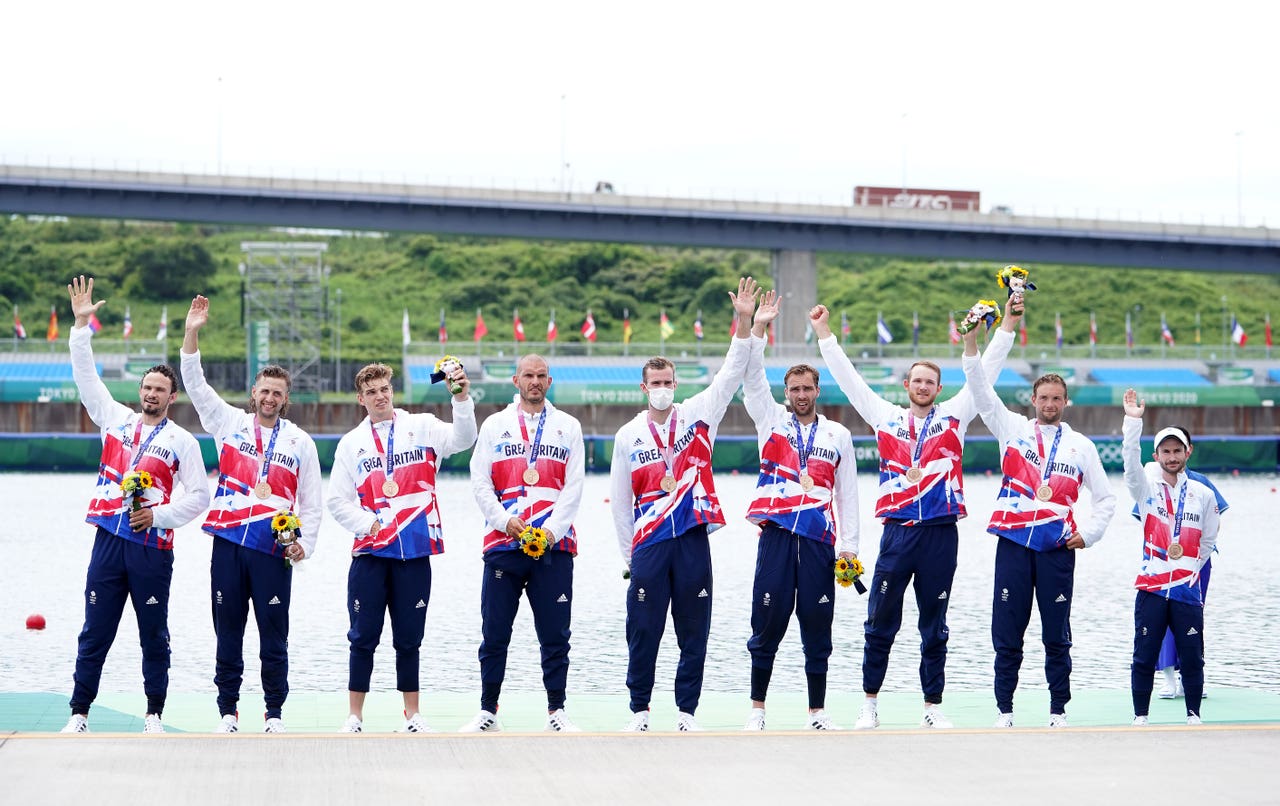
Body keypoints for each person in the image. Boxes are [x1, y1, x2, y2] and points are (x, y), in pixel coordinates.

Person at [810, 298, 1021, 730]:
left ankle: (932, 706)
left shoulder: (955, 416)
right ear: (907, 384)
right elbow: (850, 382)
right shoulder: (884, 418)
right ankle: (869, 704)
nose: (923, 386)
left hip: (941, 535)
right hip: (898, 535)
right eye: (918, 380)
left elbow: (986, 374)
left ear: (939, 389)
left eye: (931, 382)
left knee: (935, 622)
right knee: (880, 620)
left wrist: (1007, 326)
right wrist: (824, 335)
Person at [60, 276, 210, 734]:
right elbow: (87, 378)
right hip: (108, 539)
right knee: (95, 631)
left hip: (150, 546)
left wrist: (158, 515)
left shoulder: (183, 442)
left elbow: (201, 497)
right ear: (139, 391)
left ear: (172, 396)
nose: (151, 394)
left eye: (160, 390)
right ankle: (80, 714)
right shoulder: (114, 419)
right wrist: (80, 328)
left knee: (154, 634)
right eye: (146, 387)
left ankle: (152, 715)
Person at [610, 276, 757, 732]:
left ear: (676, 384)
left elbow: (731, 373)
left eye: (668, 381)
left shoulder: (698, 414)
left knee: (694, 630)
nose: (663, 388)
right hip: (650, 543)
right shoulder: (628, 435)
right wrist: (629, 557)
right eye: (655, 382)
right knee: (643, 631)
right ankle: (640, 710)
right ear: (643, 386)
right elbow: (619, 502)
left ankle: (686, 712)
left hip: (692, 535)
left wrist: (744, 321)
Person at [181, 294, 322, 734]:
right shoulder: (228, 424)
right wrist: (191, 333)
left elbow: (312, 504)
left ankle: (274, 713)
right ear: (253, 394)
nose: (269, 398)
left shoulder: (300, 442)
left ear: (286, 399)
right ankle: (228, 711)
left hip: (271, 549)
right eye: (264, 390)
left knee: (274, 636)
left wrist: (306, 546)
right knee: (228, 633)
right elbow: (195, 384)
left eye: (277, 393)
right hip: (228, 545)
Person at [964, 342, 1116, 729]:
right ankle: (1005, 711)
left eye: (1057, 399)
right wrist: (970, 344)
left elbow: (1106, 499)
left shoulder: (1082, 446)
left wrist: (1088, 535)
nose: (1049, 404)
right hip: (1014, 545)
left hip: (1056, 549)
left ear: (1067, 403)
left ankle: (1057, 711)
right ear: (1032, 399)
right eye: (1043, 397)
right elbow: (980, 389)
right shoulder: (1010, 427)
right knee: (1008, 631)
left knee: (1056, 634)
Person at [327, 361, 475, 733]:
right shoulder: (351, 443)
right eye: (372, 392)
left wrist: (461, 398)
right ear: (361, 399)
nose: (380, 397)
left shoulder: (422, 425)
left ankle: (413, 715)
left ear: (392, 391)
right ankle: (355, 716)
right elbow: (337, 501)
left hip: (414, 548)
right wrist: (369, 523)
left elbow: (464, 439)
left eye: (385, 390)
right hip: (371, 552)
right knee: (363, 636)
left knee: (409, 637)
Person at [740, 290, 859, 731]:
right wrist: (758, 328)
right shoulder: (769, 419)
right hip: (775, 537)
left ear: (817, 391)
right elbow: (750, 378)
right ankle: (757, 711)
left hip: (817, 541)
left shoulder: (838, 435)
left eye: (808, 388)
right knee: (765, 625)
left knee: (817, 625)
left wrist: (849, 548)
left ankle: (817, 712)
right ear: (785, 393)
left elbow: (847, 497)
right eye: (795, 389)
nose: (802, 394)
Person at [461, 354, 585, 733]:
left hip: (554, 548)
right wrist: (504, 521)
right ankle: (487, 711)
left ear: (550, 382)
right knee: (495, 633)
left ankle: (556, 712)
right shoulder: (495, 425)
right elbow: (480, 481)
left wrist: (552, 531)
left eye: (541, 376)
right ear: (515, 380)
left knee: (555, 635)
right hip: (503, 544)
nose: (534, 381)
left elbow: (574, 485)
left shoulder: (568, 426)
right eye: (528, 375)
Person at [1120, 392, 1220, 726]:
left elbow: (1208, 540)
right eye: (1166, 451)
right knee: (1144, 656)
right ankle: (1140, 716)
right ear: (1157, 454)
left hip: (1187, 590)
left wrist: (1187, 569)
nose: (1172, 456)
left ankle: (1193, 715)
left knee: (1193, 657)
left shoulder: (1203, 494)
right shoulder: (1145, 489)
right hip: (1151, 587)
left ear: (1187, 452)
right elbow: (1130, 462)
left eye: (1178, 450)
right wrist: (1133, 421)